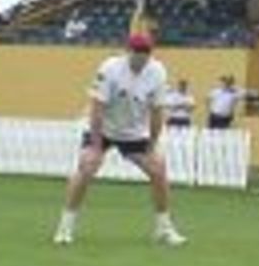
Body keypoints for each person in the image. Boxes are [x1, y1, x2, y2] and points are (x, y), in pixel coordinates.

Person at [51, 33, 186, 246]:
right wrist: (96, 146)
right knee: (86, 167)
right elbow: (97, 108)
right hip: (103, 127)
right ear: (128, 52)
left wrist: (152, 145)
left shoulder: (158, 72)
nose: (141, 58)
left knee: (158, 169)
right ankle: (65, 227)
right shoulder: (109, 69)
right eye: (137, 53)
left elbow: (157, 112)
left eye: (146, 54)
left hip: (134, 132)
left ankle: (164, 228)